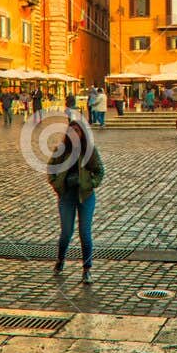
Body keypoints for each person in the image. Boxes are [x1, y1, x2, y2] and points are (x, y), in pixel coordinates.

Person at [49, 116, 104, 286]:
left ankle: (87, 269)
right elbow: (51, 169)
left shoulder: (89, 151)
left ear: (82, 133)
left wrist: (91, 184)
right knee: (66, 232)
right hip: (67, 196)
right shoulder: (61, 150)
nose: (74, 133)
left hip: (85, 196)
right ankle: (60, 259)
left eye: (77, 130)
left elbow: (99, 171)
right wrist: (58, 185)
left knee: (85, 233)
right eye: (71, 130)